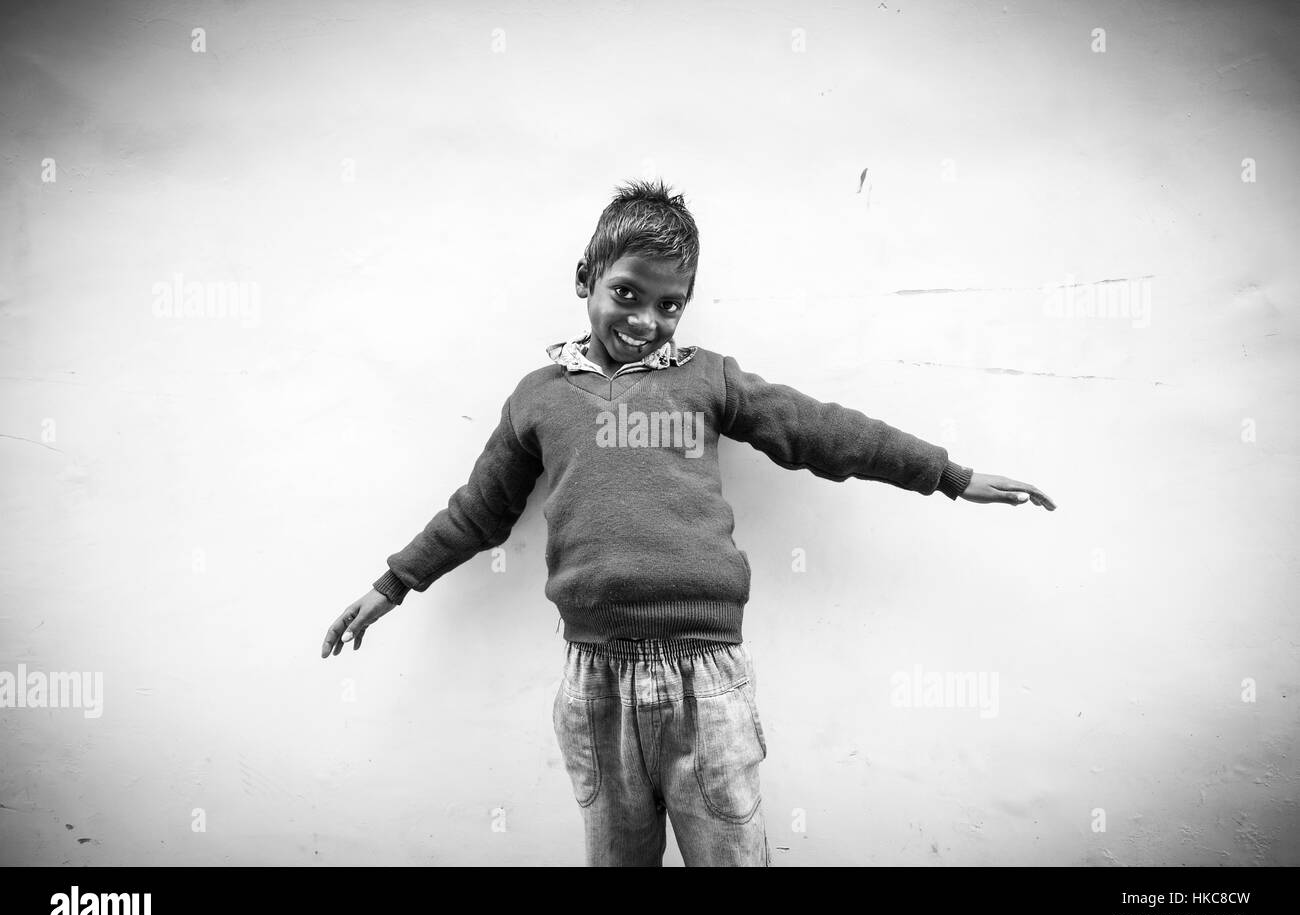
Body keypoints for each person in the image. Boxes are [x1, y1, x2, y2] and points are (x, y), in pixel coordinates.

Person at [321, 179, 1056, 866]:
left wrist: (950, 475)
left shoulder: (707, 378)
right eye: (626, 294)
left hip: (706, 678)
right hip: (594, 681)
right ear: (586, 279)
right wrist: (392, 583)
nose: (645, 321)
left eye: (669, 305)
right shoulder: (538, 398)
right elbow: (479, 512)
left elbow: (818, 431)